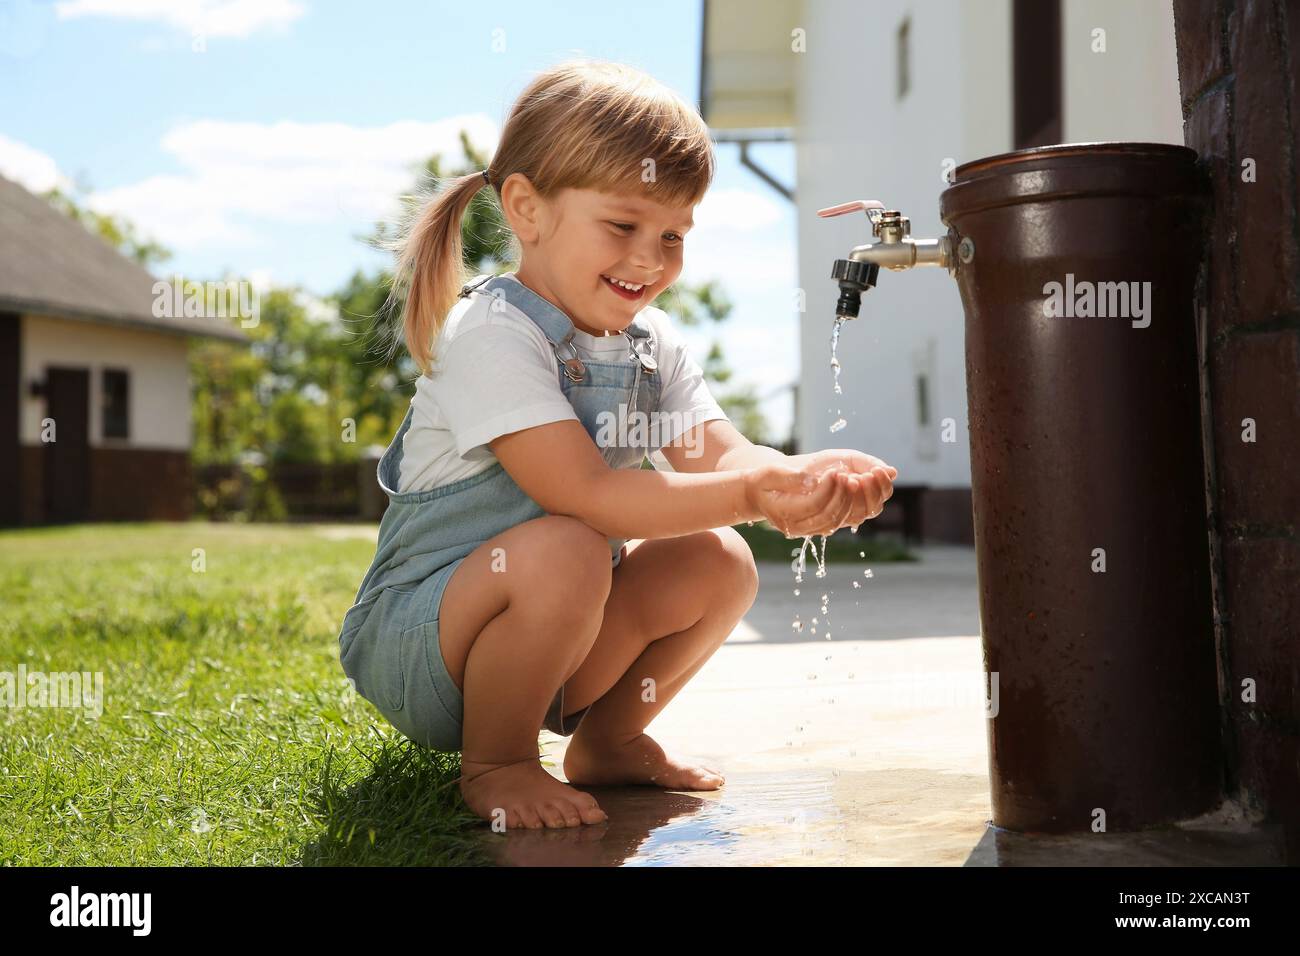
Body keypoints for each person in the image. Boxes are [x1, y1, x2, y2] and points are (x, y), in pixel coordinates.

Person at [337, 58, 897, 831]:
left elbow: (724, 458)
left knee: (717, 555)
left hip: (556, 638)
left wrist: (795, 478)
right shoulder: (494, 334)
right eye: (623, 225)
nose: (651, 257)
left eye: (673, 233)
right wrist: (752, 493)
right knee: (569, 542)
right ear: (528, 210)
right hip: (424, 652)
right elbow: (586, 495)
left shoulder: (648, 343)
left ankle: (609, 741)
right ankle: (496, 762)